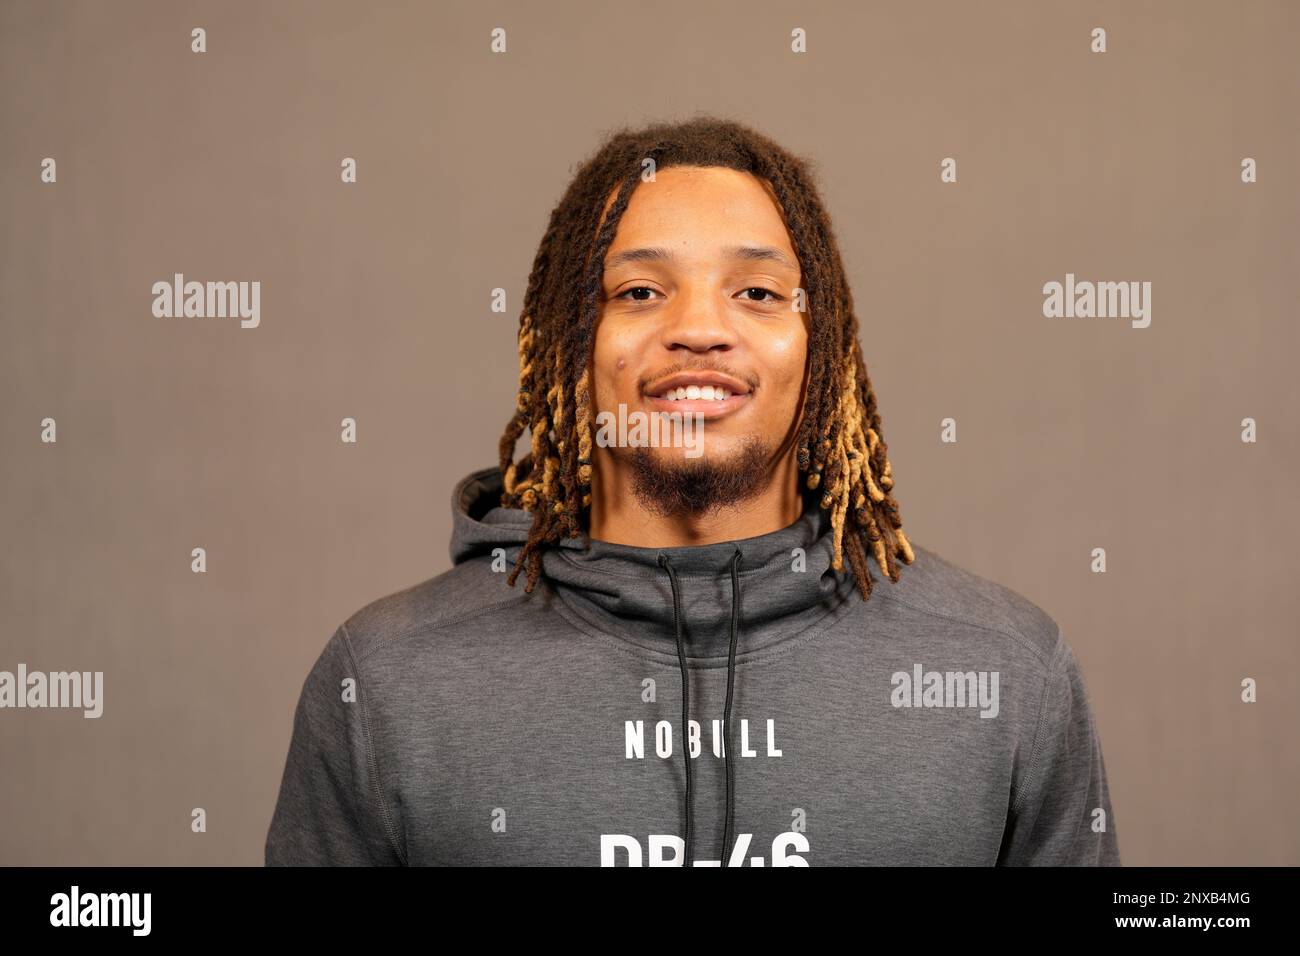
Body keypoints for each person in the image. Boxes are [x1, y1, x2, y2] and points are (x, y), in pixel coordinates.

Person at [265, 116, 1120, 866]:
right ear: (568, 343)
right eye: (640, 292)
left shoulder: (1001, 670)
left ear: (822, 347)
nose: (701, 330)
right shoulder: (386, 682)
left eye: (756, 292)